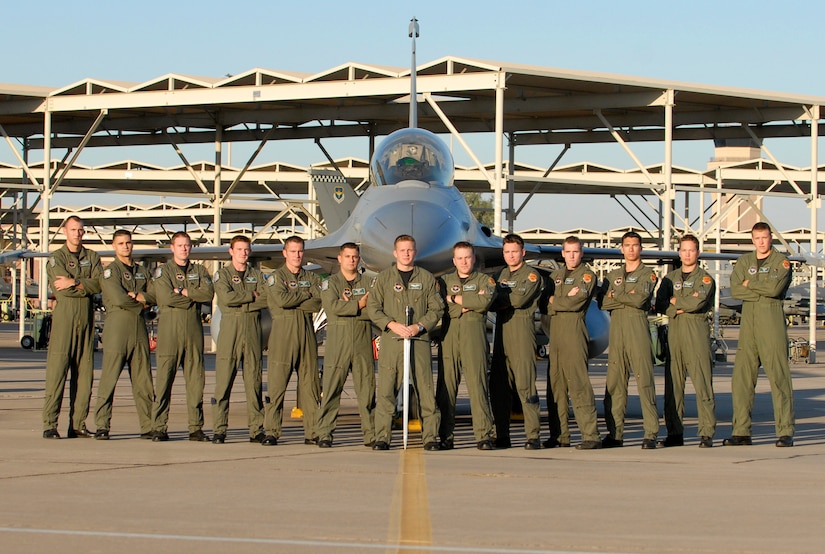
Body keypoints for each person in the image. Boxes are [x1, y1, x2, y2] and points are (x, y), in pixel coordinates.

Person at [367, 234, 443, 451]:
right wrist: (391, 324)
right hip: (392, 340)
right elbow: (373, 307)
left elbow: (436, 308)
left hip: (418, 340)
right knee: (387, 389)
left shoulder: (427, 278)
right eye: (402, 250)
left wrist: (419, 326)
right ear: (395, 253)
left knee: (426, 389)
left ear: (415, 252)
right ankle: (382, 436)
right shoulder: (383, 278)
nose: (406, 254)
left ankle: (430, 437)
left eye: (410, 250)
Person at [724, 222, 795, 447]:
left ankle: (785, 431)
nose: (761, 242)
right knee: (742, 380)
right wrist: (759, 286)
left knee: (779, 377)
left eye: (764, 237)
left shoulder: (781, 262)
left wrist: (750, 284)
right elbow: (735, 290)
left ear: (770, 238)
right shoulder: (745, 261)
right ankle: (741, 431)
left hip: (770, 321)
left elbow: (774, 290)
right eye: (757, 238)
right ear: (753, 239)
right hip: (749, 324)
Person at [149, 232, 214, 442]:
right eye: (180, 245)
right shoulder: (163, 271)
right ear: (172, 248)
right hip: (170, 328)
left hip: (193, 330)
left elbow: (208, 294)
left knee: (196, 380)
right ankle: (159, 426)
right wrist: (191, 296)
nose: (184, 249)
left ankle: (196, 427)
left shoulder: (200, 270)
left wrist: (182, 292)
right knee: (164, 379)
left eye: (187, 245)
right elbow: (165, 298)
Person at [42, 215, 102, 439]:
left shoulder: (92, 257)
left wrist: (75, 282)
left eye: (80, 230)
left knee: (85, 375)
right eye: (73, 229)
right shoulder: (56, 257)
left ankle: (77, 424)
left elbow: (98, 284)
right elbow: (61, 289)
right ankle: (50, 424)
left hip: (86, 320)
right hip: (65, 319)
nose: (77, 233)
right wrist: (82, 285)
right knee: (57, 373)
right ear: (65, 232)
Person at [599, 231, 659, 449]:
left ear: (640, 248)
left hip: (637, 329)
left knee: (644, 381)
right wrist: (625, 297)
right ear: (622, 249)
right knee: (614, 384)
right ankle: (615, 434)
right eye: (627, 245)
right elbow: (603, 302)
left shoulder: (648, 274)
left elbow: (640, 298)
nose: (631, 249)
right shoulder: (612, 275)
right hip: (617, 332)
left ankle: (651, 433)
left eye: (635, 245)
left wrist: (617, 296)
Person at [655, 234, 717, 448]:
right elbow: (660, 303)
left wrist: (676, 302)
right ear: (679, 252)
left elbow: (697, 303)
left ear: (698, 253)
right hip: (675, 334)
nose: (687, 254)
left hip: (696, 334)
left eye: (691, 250)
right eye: (684, 250)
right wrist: (677, 305)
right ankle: (675, 433)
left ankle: (707, 432)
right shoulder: (669, 278)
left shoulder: (705, 278)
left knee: (702, 385)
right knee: (673, 388)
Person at [93, 229, 156, 439]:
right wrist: (142, 303)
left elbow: (155, 295)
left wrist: (142, 297)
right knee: (109, 378)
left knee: (143, 380)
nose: (126, 246)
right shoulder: (110, 272)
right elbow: (119, 299)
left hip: (138, 328)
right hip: (118, 326)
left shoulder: (142, 271)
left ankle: (148, 425)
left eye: (128, 243)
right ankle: (102, 425)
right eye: (121, 243)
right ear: (114, 246)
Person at [262, 235, 322, 446]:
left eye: (300, 251)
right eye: (293, 251)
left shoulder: (312, 277)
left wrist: (297, 297)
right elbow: (281, 300)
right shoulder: (276, 277)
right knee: (277, 384)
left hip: (306, 330)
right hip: (283, 331)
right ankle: (271, 431)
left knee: (310, 384)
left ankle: (313, 431)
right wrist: (304, 295)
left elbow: (316, 303)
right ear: (284, 253)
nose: (297, 255)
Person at [436, 242, 497, 450]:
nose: (464, 262)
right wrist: (466, 304)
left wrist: (453, 299)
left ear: (474, 259)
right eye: (460, 258)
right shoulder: (443, 282)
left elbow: (484, 303)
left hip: (474, 338)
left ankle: (483, 435)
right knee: (446, 389)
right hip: (450, 337)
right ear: (454, 261)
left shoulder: (484, 280)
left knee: (478, 386)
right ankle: (445, 435)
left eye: (467, 257)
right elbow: (440, 307)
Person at [316, 243, 376, 448]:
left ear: (359, 259)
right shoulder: (330, 283)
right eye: (348, 256)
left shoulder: (369, 282)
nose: (352, 259)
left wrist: (347, 307)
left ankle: (371, 434)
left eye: (355, 256)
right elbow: (331, 308)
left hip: (361, 339)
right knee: (332, 388)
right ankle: (324, 433)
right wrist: (359, 305)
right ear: (340, 259)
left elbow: (374, 311)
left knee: (366, 389)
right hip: (337, 342)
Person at [545, 236, 601, 450]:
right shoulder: (555, 276)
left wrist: (556, 301)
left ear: (581, 253)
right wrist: (562, 300)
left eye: (575, 252)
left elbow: (575, 304)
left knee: (578, 385)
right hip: (556, 335)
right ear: (562, 253)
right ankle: (559, 436)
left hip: (574, 332)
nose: (571, 256)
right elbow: (544, 303)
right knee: (555, 387)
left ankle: (590, 435)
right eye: (568, 252)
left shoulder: (587, 276)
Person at [211, 235, 269, 444]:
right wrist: (250, 296)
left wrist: (245, 299)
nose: (243, 253)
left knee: (253, 381)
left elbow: (265, 297)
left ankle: (256, 429)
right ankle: (219, 429)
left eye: (246, 250)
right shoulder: (222, 275)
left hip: (252, 328)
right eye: (239, 249)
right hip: (230, 329)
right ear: (231, 251)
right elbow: (226, 299)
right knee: (224, 381)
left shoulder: (257, 275)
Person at [490, 233, 543, 450]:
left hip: (521, 331)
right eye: (507, 252)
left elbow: (519, 299)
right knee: (499, 386)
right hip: (501, 332)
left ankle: (533, 436)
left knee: (525, 384)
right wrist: (499, 302)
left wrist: (499, 301)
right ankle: (502, 434)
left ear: (523, 252)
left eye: (514, 251)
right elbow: (490, 300)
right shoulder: (500, 274)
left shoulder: (531, 275)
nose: (511, 256)